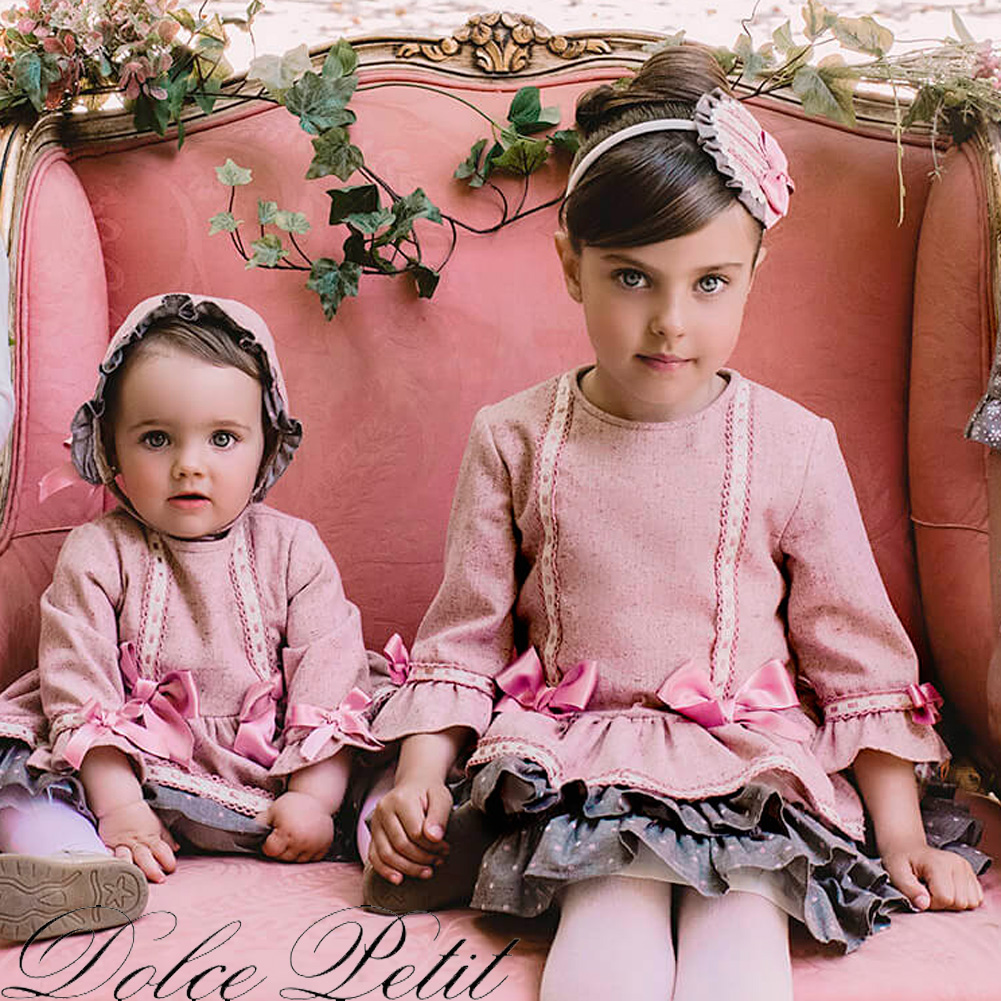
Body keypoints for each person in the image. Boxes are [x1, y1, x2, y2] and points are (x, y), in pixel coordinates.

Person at [363, 45, 987, 1001]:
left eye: (708, 282)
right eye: (631, 278)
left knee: (741, 922)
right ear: (570, 265)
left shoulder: (791, 444)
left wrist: (899, 832)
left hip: (746, 764)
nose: (669, 322)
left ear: (753, 271)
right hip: (580, 759)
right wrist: (417, 773)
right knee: (607, 917)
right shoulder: (513, 436)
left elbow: (854, 653)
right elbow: (464, 638)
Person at [0, 292, 380, 942]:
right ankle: (70, 862)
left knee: (397, 748)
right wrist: (117, 804)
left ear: (267, 447)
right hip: (128, 774)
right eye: (156, 439)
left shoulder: (291, 549)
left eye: (223, 438)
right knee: (17, 772)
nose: (189, 464)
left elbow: (329, 671)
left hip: (279, 774)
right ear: (111, 450)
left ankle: (398, 848)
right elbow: (77, 680)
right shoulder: (98, 551)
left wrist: (314, 798)